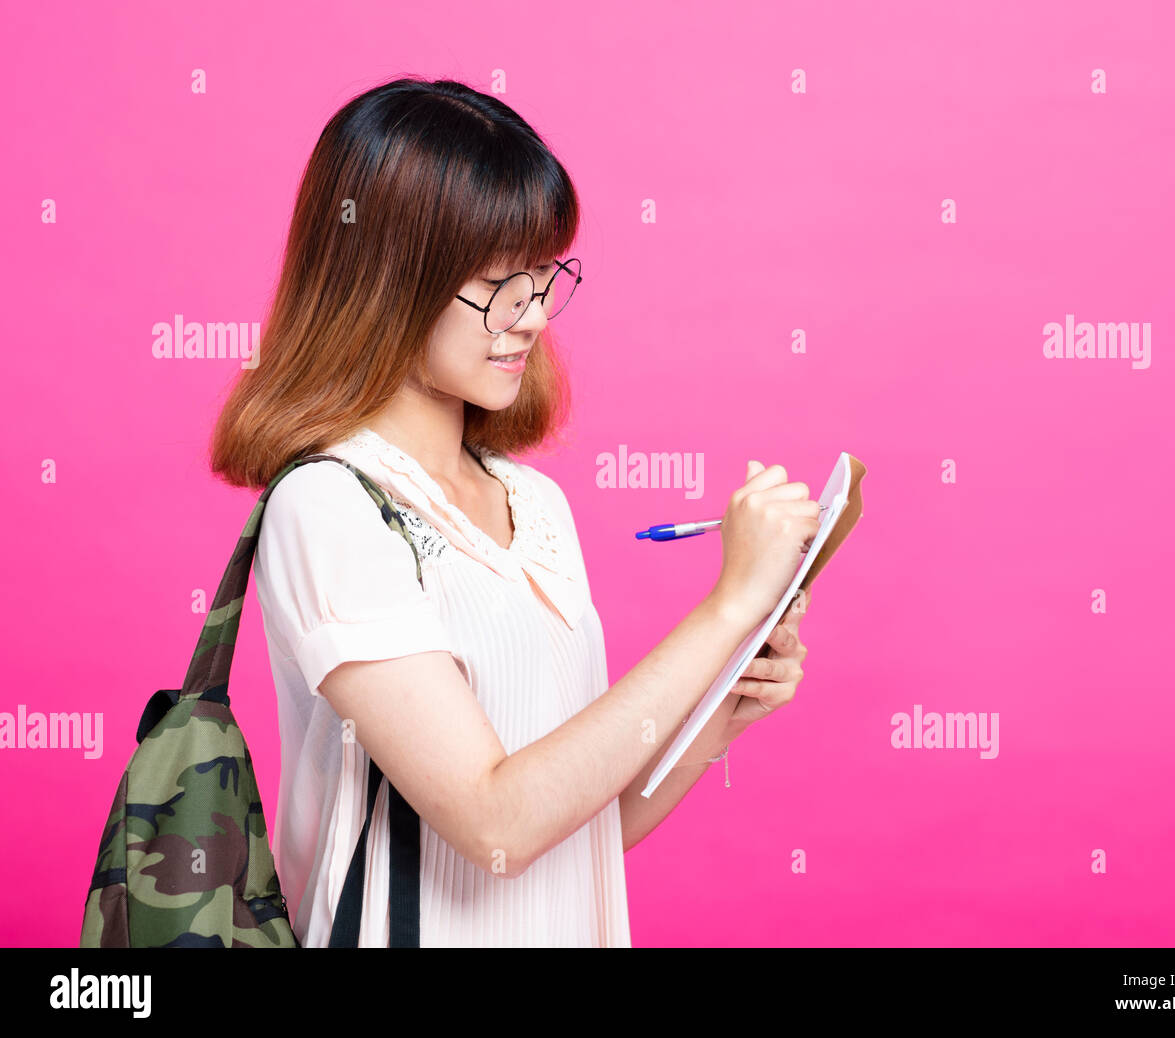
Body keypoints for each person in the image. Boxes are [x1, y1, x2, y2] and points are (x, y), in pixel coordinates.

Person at [208, 76, 820, 947]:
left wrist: (721, 703)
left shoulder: (533, 503)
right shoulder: (331, 507)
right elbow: (496, 823)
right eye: (500, 283)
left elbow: (582, 829)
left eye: (544, 276)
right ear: (387, 279)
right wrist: (723, 608)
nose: (532, 317)